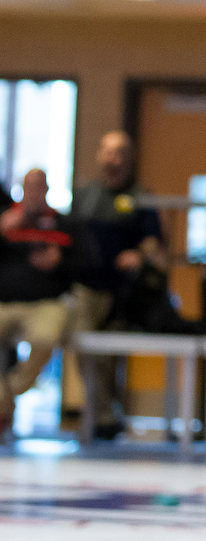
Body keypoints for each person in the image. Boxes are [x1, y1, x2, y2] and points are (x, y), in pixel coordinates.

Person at [70, 130, 165, 437]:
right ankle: (104, 416)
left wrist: (138, 253)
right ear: (99, 156)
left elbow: (155, 242)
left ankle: (108, 417)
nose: (112, 160)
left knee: (110, 358)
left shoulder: (140, 198)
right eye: (107, 152)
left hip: (122, 290)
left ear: (129, 159)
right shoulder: (85, 196)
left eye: (119, 153)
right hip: (86, 286)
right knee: (85, 349)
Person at [0, 169, 88, 429]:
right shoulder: (7, 220)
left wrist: (62, 260)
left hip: (47, 302)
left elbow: (91, 264)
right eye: (29, 187)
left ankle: (7, 395)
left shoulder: (64, 224)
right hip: (5, 301)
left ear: (47, 190)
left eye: (40, 187)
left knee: (43, 339)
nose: (34, 193)